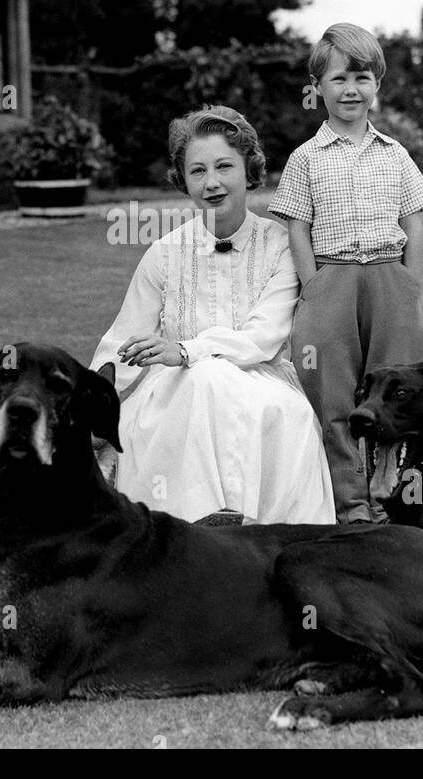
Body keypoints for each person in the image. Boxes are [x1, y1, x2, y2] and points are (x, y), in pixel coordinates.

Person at [91, 105, 334, 525]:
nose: (212, 182)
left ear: (249, 170)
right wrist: (88, 411)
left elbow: (265, 336)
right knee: (201, 382)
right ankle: (198, 532)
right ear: (182, 180)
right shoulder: (165, 252)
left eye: (224, 166)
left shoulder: (281, 245)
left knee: (214, 378)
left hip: (262, 385)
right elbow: (121, 343)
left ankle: (247, 532)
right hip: (175, 392)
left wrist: (187, 350)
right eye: (197, 171)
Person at [269, 22, 423, 525]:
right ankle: (352, 506)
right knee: (333, 396)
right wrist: (313, 284)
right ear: (318, 87)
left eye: (362, 78)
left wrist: (408, 282)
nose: (351, 89)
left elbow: (413, 222)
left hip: (390, 280)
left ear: (377, 86)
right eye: (339, 79)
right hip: (332, 281)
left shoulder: (395, 154)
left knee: (398, 396)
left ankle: (397, 500)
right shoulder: (305, 158)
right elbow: (298, 228)